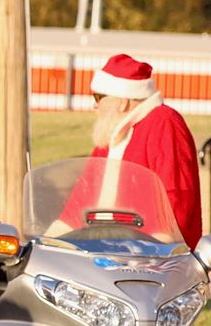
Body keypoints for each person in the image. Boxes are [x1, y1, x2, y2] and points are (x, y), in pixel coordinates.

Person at [85, 53, 201, 246]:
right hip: (104, 251)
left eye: (98, 97)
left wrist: (150, 248)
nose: (94, 105)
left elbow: (176, 200)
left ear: (123, 101)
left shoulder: (164, 122)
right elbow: (78, 202)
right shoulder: (109, 136)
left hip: (152, 258)